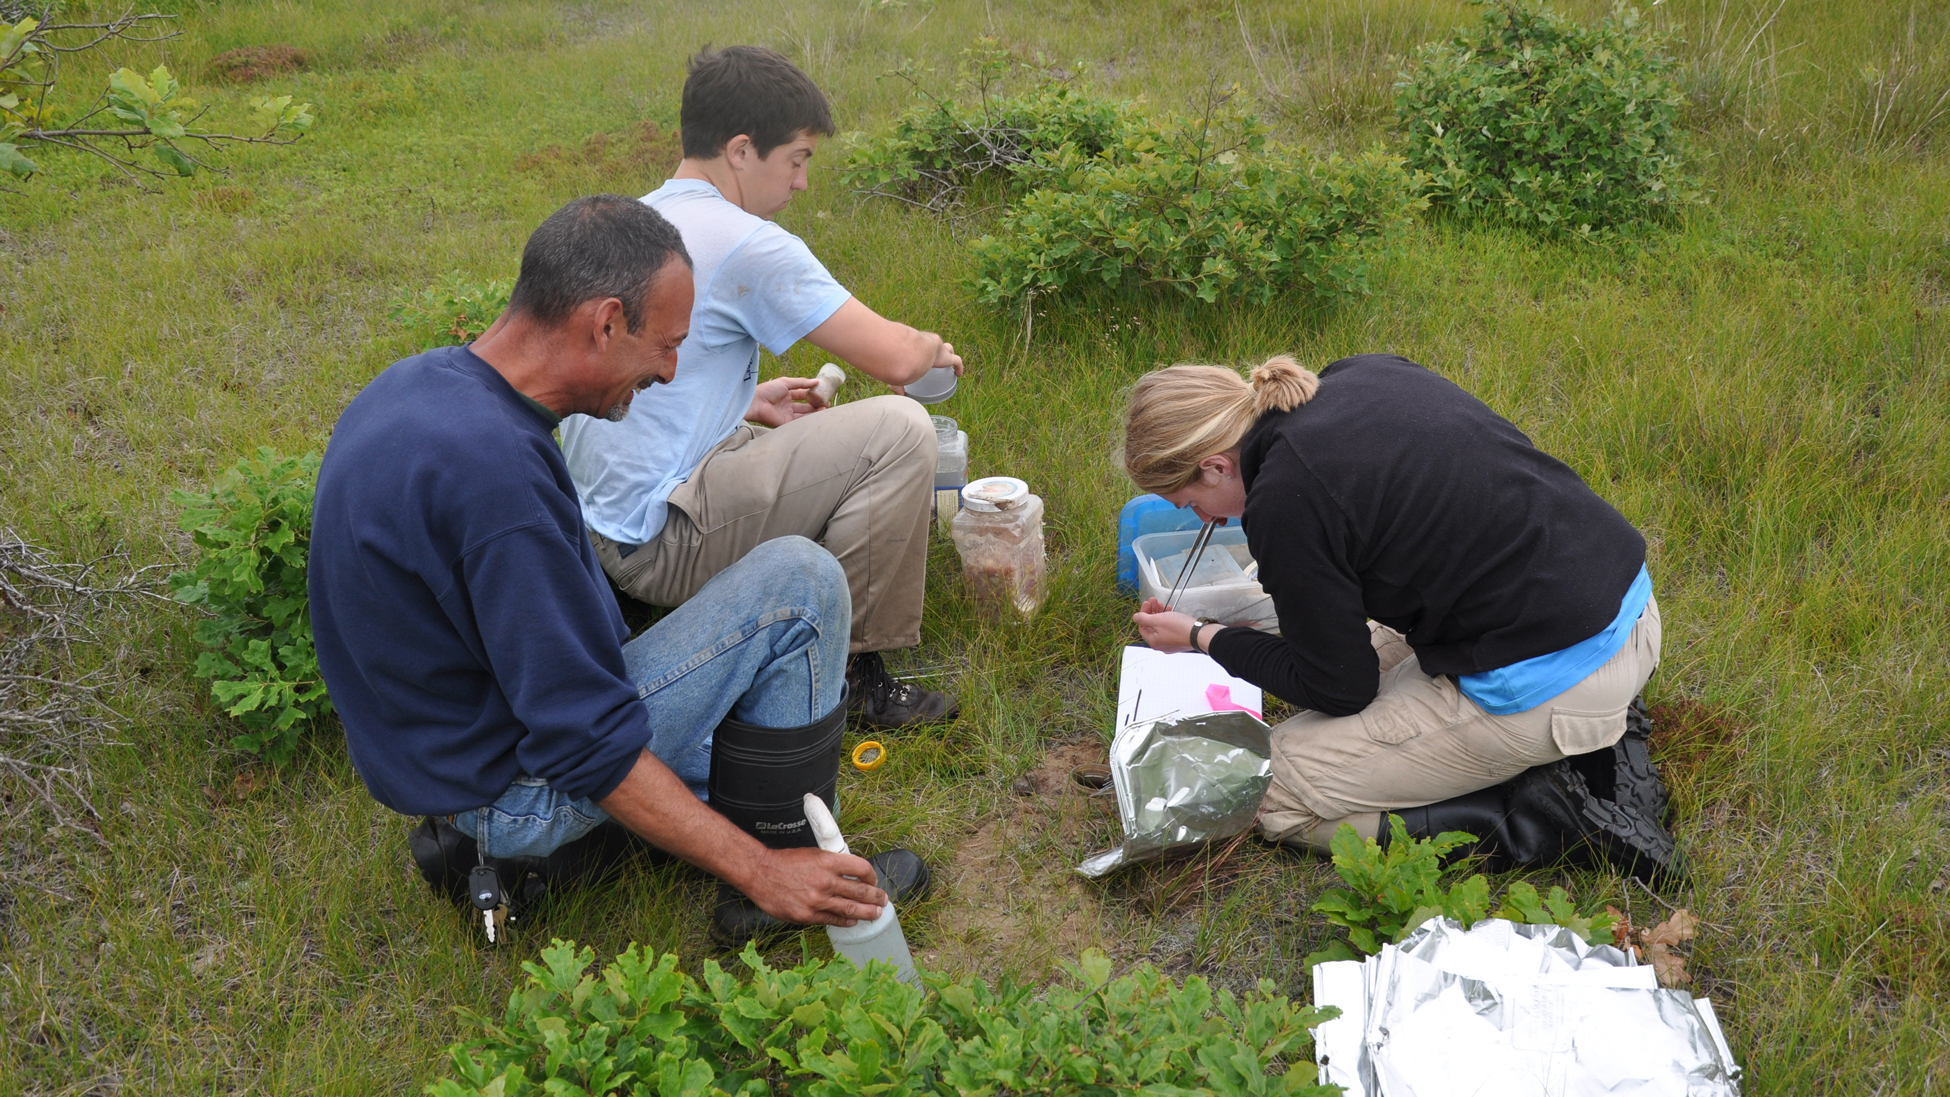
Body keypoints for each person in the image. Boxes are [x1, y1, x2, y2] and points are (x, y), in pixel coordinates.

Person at [309, 195, 929, 946]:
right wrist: (761, 869)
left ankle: (726, 808)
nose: (670, 372)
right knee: (800, 583)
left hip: (443, 756)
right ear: (604, 323)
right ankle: (784, 871)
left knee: (738, 748)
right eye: (667, 346)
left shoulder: (424, 385)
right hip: (508, 794)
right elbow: (585, 742)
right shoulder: (498, 483)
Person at [1125, 353, 1682, 883]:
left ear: (1215, 466)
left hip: (1553, 678)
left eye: (1190, 504)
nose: (1202, 519)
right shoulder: (1353, 377)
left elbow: (1341, 689)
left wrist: (1205, 637)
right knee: (1362, 652)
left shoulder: (1284, 500)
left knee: (1274, 791)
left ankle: (1546, 818)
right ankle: (1589, 735)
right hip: (1620, 609)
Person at [559, 45, 963, 729]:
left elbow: (635, 376)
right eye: (798, 159)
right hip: (661, 540)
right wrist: (932, 349)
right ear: (742, 150)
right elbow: (895, 358)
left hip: (595, 526)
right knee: (900, 431)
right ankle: (851, 673)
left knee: (847, 436)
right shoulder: (746, 240)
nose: (802, 183)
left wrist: (741, 402)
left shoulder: (635, 220)